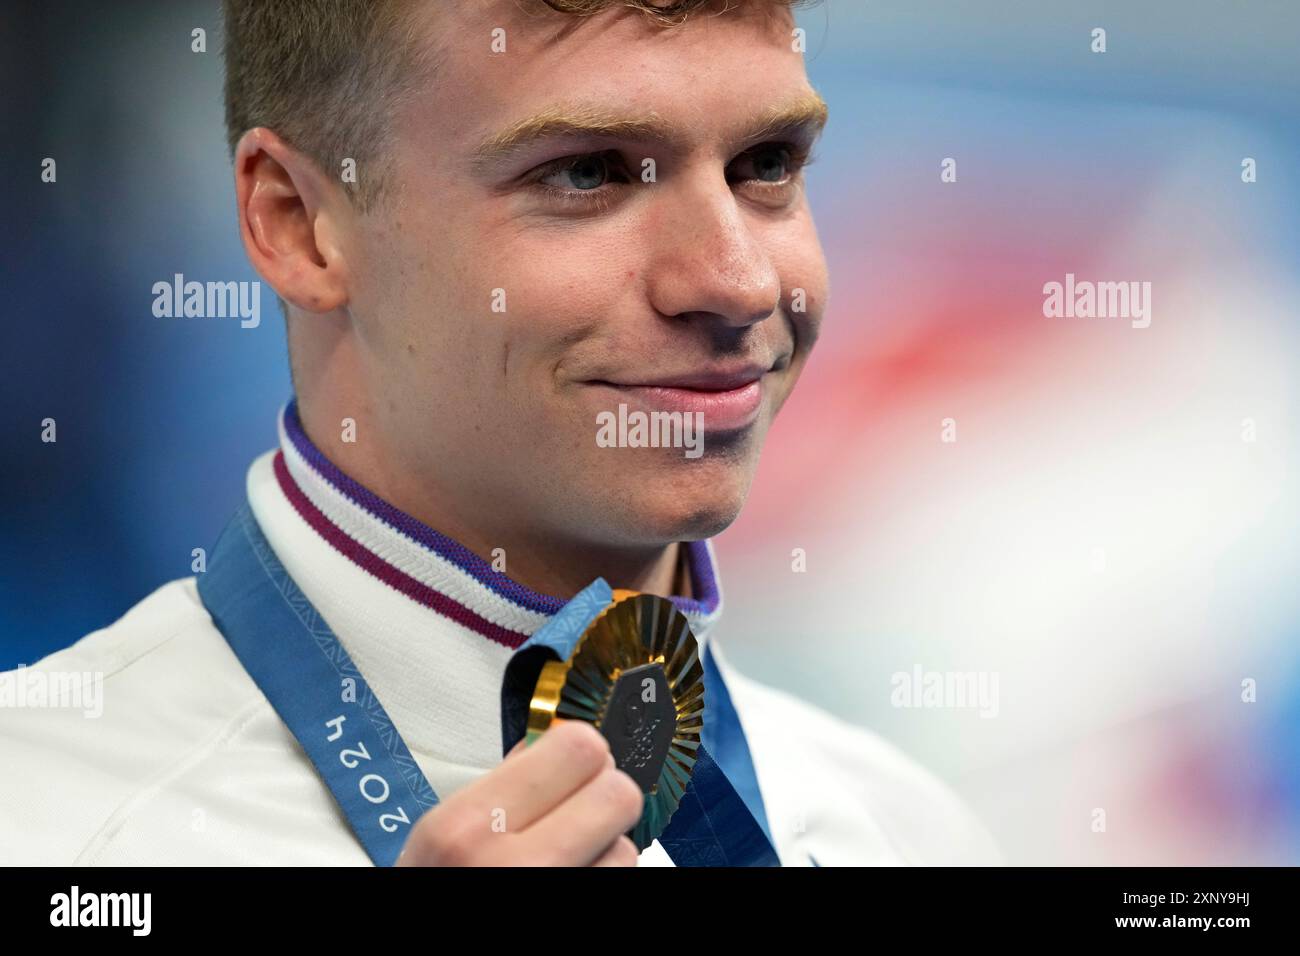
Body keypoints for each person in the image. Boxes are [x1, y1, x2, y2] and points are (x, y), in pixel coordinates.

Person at [0, 0, 999, 866]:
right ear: (297, 222)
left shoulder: (909, 826)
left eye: (765, 163)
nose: (736, 282)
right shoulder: (42, 816)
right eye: (588, 174)